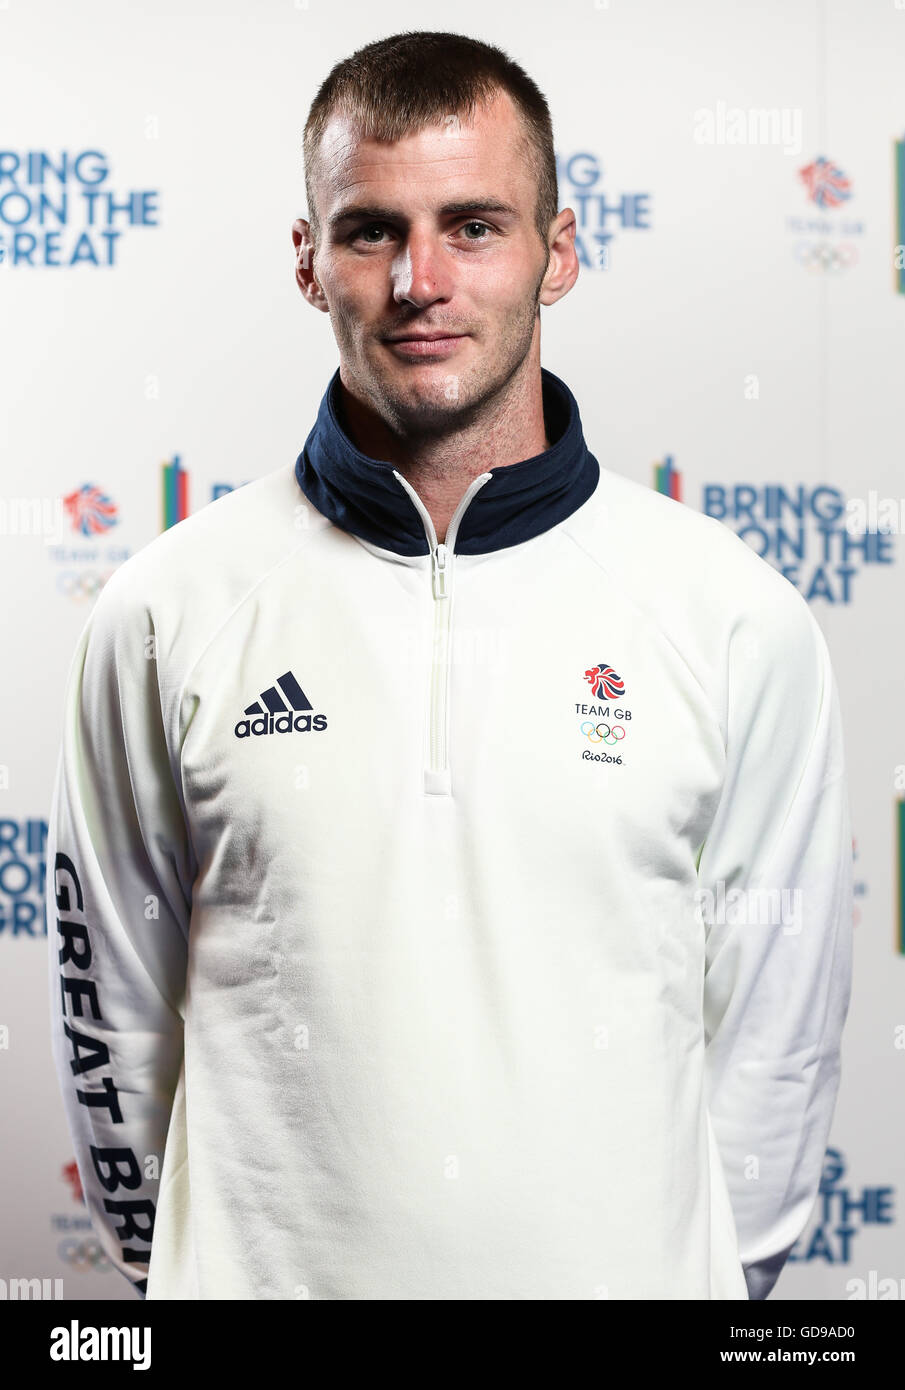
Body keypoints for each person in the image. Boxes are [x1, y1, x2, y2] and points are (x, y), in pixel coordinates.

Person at [46, 29, 853, 1301]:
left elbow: (773, 1046)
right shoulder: (163, 612)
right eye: (370, 230)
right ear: (309, 263)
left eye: (473, 224)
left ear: (559, 250)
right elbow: (116, 1021)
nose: (421, 278)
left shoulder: (730, 616)